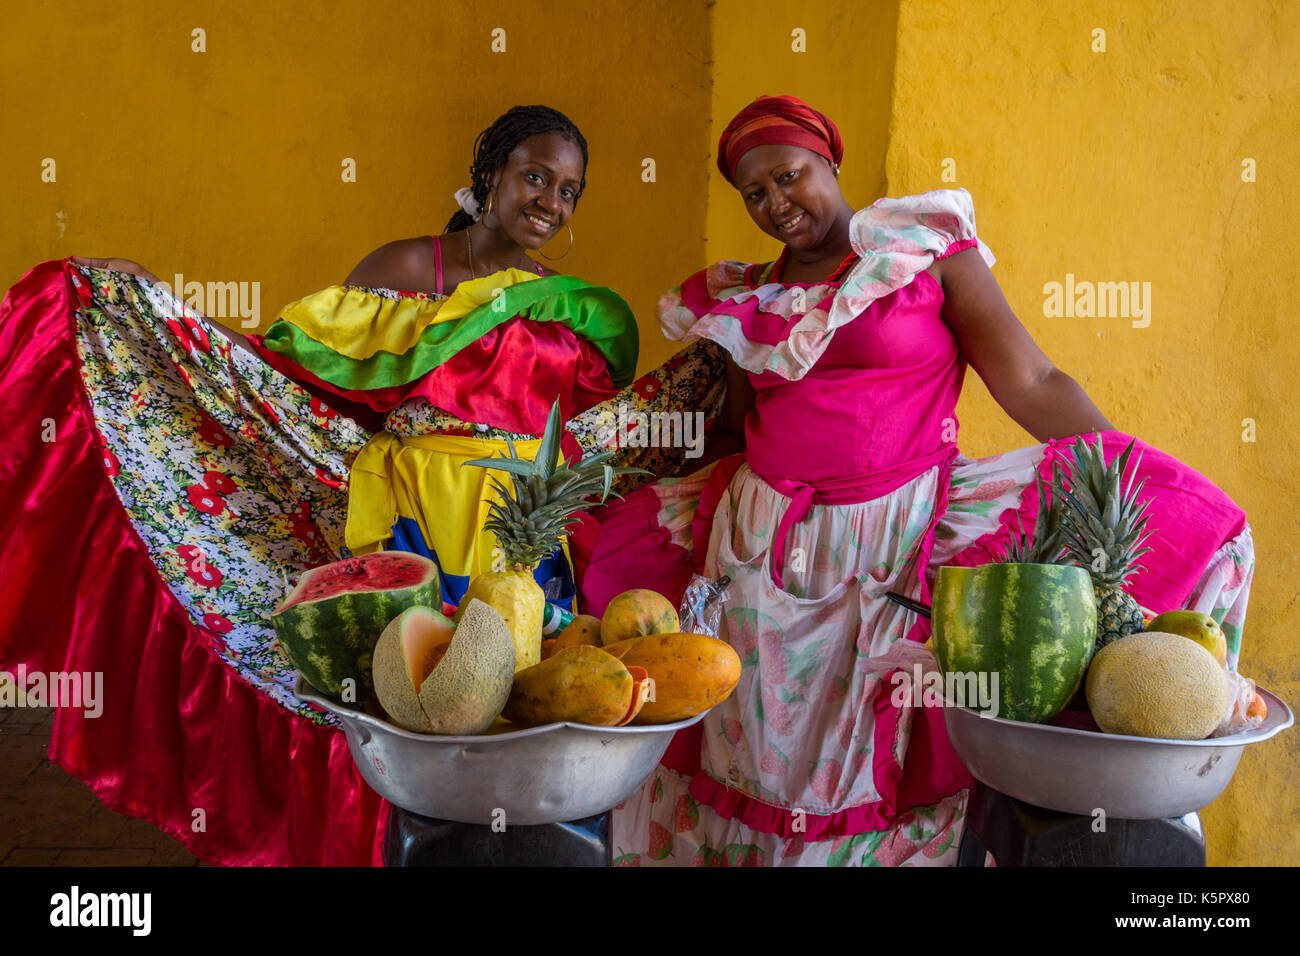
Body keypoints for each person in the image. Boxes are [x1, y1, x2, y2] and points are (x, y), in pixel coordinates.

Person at [0, 105, 721, 866]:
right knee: (408, 705)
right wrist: (167, 314)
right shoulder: (408, 271)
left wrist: (722, 358)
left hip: (520, 541)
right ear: (491, 176)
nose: (550, 201)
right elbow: (297, 378)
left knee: (525, 710)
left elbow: (582, 437)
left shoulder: (571, 310)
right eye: (534, 176)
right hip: (406, 521)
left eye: (570, 190)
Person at [578, 95, 1255, 866]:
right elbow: (736, 429)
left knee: (876, 738)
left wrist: (1119, 466)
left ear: (831, 161)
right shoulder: (746, 303)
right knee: (756, 751)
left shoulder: (924, 252)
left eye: (790, 175)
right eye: (754, 193)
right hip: (760, 546)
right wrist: (625, 472)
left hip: (896, 535)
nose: (776, 204)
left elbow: (1030, 379)